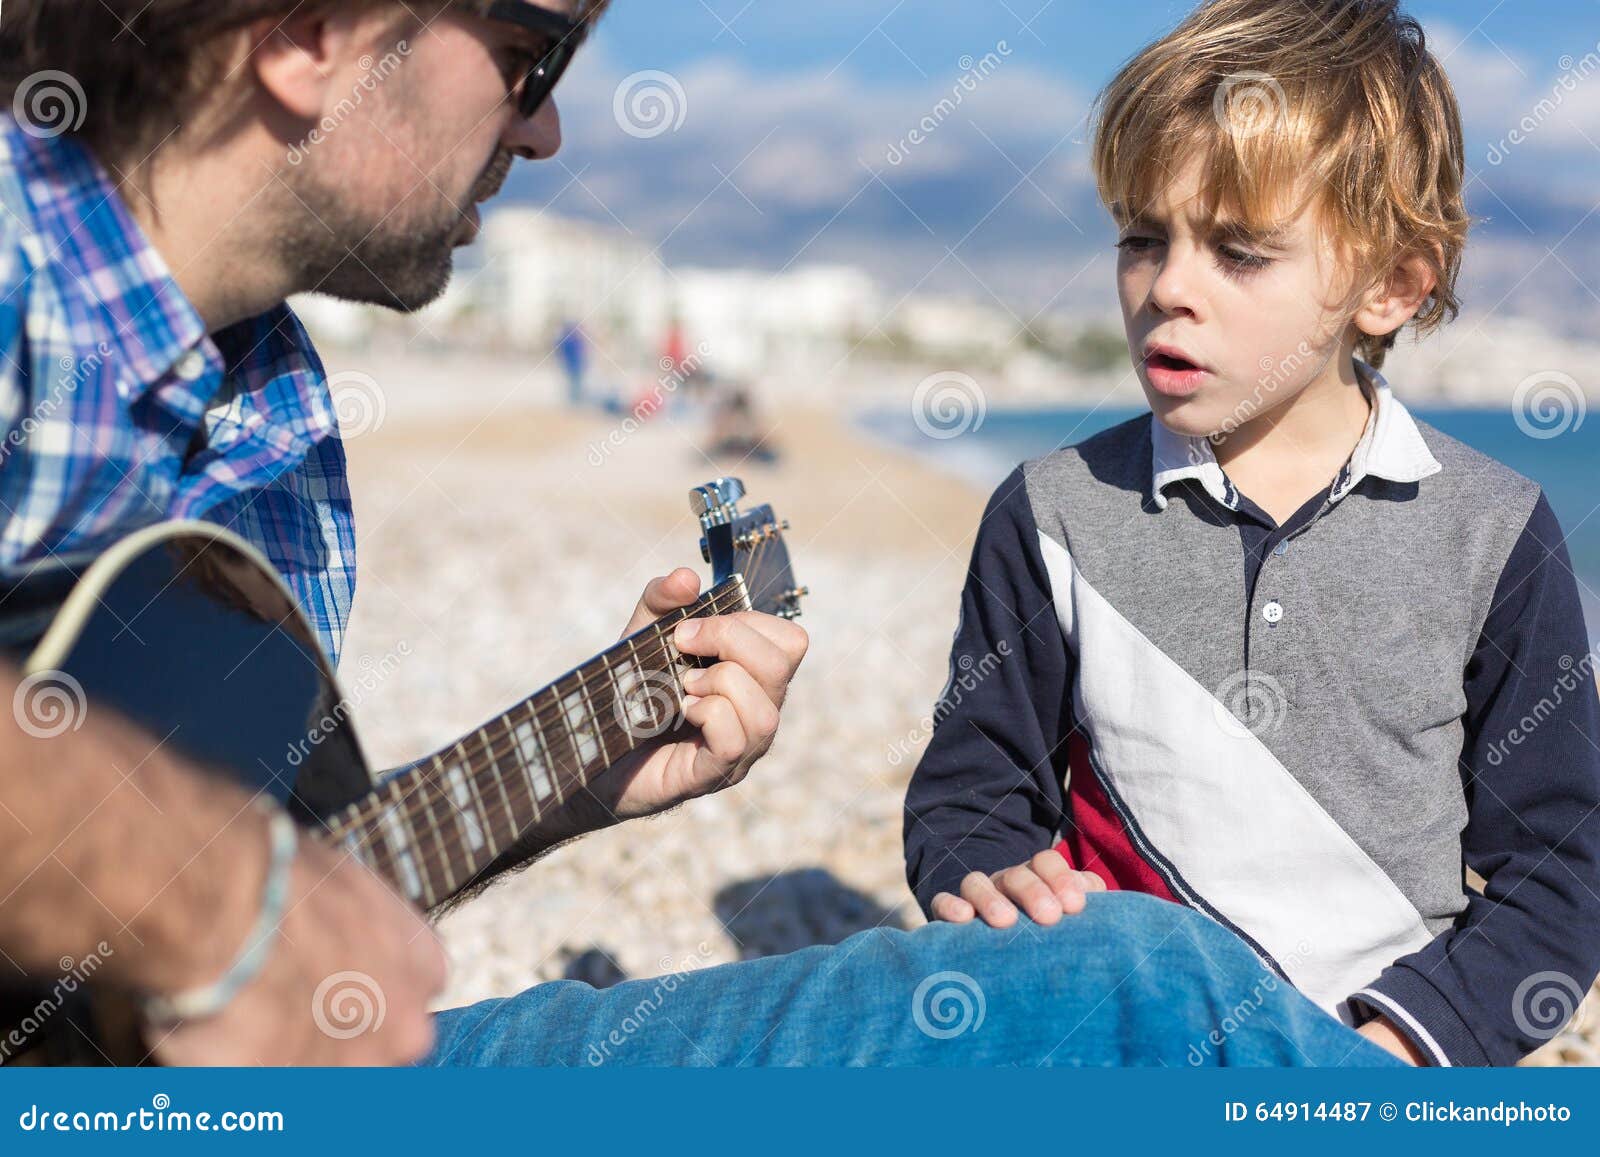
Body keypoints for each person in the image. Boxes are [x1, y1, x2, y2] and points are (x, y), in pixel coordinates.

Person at [0, 0, 1398, 1068]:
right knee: (1143, 1000)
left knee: (1090, 1000)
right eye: (532, 60)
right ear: (314, 37)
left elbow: (225, 928)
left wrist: (570, 772)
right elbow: (205, 898)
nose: (542, 131)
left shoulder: (276, 402)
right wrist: (214, 898)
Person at [903, 0, 1600, 1068]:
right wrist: (983, 871)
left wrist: (1401, 1048)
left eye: (1237, 251)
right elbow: (971, 790)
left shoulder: (1494, 531)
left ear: (1389, 285)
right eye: (1141, 237)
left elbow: (1560, 867)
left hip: (1374, 1067)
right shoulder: (1049, 513)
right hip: (1114, 1049)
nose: (1165, 288)